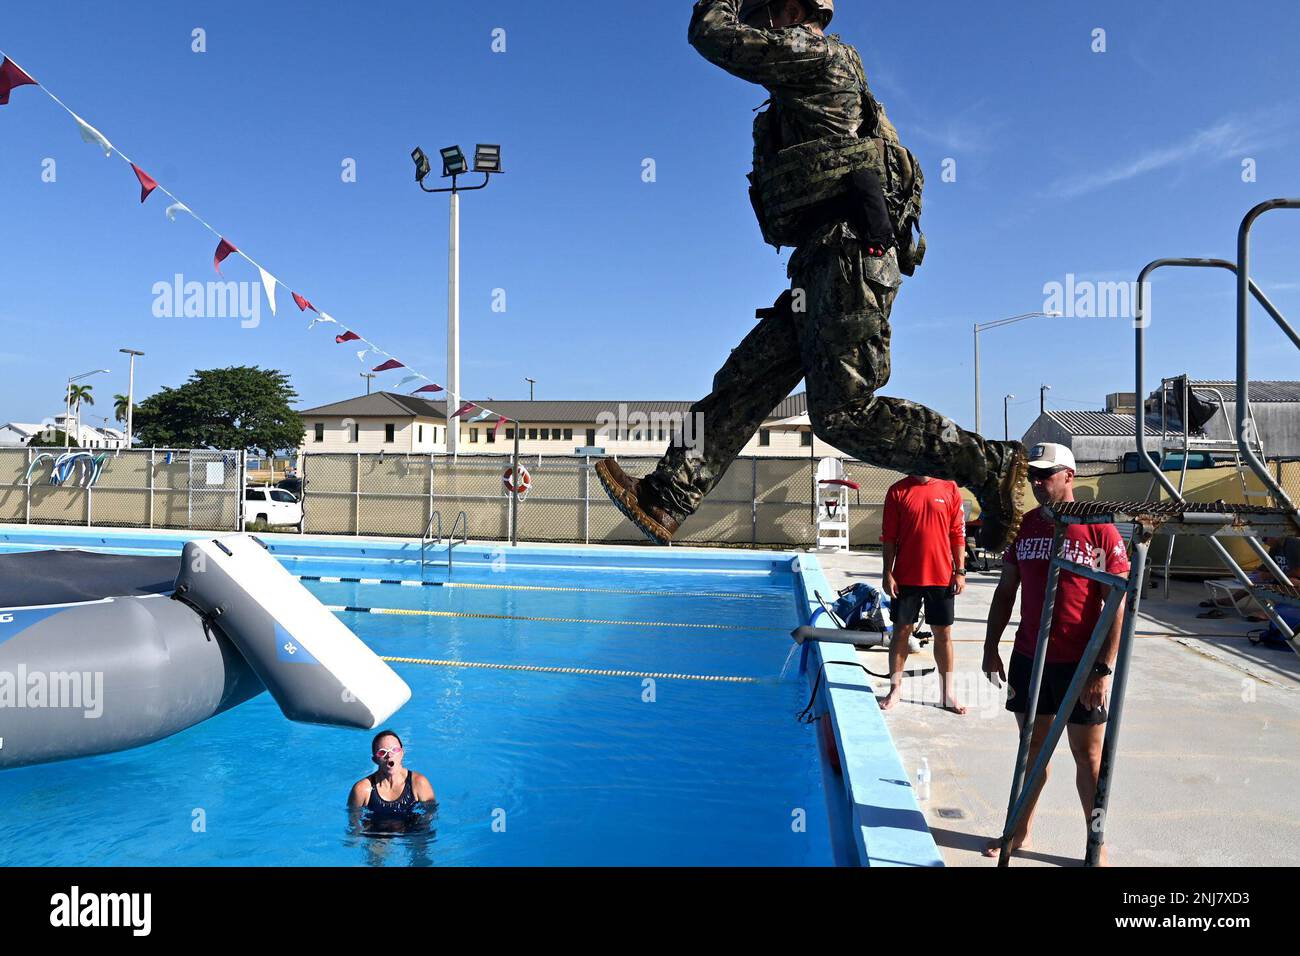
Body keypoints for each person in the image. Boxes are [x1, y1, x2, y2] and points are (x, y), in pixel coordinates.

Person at [595, 0, 1026, 550]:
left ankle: (989, 465)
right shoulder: (799, 83)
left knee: (844, 414)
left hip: (849, 258)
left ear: (793, 10)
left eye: (763, 14)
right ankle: (667, 497)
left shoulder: (819, 55)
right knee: (746, 378)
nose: (759, 26)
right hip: (819, 262)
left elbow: (711, 33)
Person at [980, 443, 1129, 864]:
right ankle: (1019, 831)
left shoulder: (1100, 529)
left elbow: (1115, 603)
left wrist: (1102, 668)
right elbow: (1006, 590)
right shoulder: (1025, 527)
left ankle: (1095, 842)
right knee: (1033, 750)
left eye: (1046, 474)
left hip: (1081, 664)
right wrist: (991, 646)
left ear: (1069, 476)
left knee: (1090, 756)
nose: (1037, 482)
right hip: (1031, 659)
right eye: (1033, 476)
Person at [879, 474, 967, 713]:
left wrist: (960, 571)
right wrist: (888, 572)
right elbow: (889, 537)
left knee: (943, 633)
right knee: (900, 631)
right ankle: (895, 688)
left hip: (941, 577)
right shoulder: (898, 491)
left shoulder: (949, 488)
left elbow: (957, 533)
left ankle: (947, 692)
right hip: (906, 576)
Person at [347, 730, 436, 829]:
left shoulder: (419, 783)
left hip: (411, 826)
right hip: (377, 830)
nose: (389, 755)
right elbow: (354, 824)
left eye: (395, 750)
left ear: (402, 753)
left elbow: (430, 814)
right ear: (375, 760)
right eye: (382, 752)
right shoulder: (362, 789)